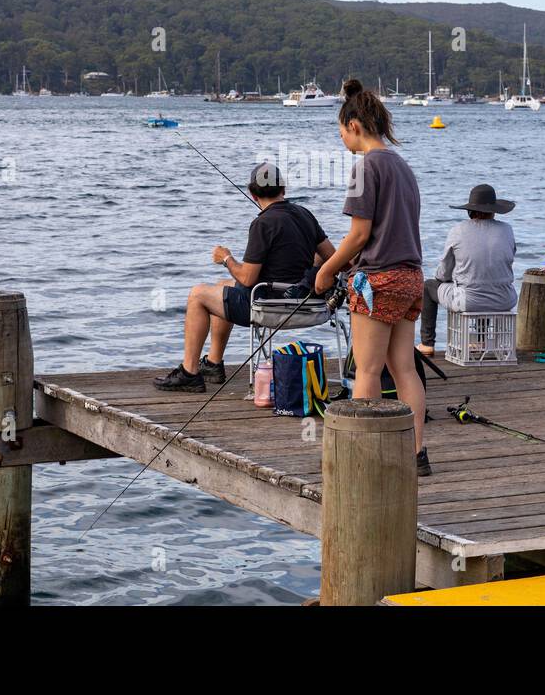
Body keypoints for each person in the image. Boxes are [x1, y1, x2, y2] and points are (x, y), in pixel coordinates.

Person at [313, 80, 430, 475]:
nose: (343, 140)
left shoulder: (366, 167)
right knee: (404, 369)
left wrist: (327, 269)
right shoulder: (402, 166)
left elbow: (360, 235)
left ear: (355, 126)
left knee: (365, 370)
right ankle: (416, 453)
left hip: (378, 282)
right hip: (412, 279)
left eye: (341, 132)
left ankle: (368, 459)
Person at [155, 162, 335, 392]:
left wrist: (226, 258)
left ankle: (190, 372)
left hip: (271, 306)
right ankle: (213, 363)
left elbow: (249, 278)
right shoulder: (304, 214)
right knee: (222, 286)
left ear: (252, 193)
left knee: (198, 295)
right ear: (284, 189)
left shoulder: (263, 223)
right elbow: (333, 257)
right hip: (306, 303)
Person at [418, 184, 517, 355]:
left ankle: (427, 344)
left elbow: (443, 273)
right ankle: (480, 340)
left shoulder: (458, 230)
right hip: (504, 299)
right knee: (483, 280)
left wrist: (451, 278)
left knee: (428, 287)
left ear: (470, 211)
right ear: (494, 211)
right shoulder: (507, 230)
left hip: (469, 301)